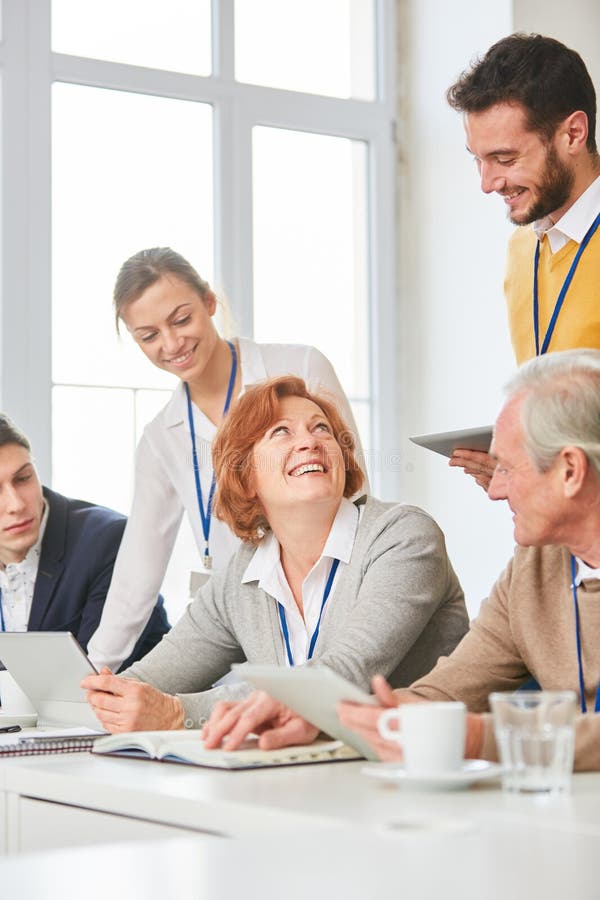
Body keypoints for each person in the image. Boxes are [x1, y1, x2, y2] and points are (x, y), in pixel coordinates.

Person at [81, 376, 468, 733]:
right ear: (246, 477)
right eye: (281, 431)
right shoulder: (245, 572)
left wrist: (178, 713)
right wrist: (110, 696)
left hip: (425, 774)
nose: (310, 442)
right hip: (314, 779)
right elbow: (156, 675)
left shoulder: (404, 536)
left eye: (322, 429)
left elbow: (345, 673)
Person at [86, 248, 366, 673]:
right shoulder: (162, 437)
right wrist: (94, 671)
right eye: (149, 336)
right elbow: (137, 569)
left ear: (210, 303)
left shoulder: (299, 366)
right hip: (246, 623)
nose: (172, 344)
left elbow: (354, 489)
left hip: (332, 599)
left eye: (182, 320)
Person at [336, 349, 600, 771]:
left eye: (508, 469)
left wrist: (481, 738)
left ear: (570, 470)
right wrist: (331, 721)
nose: (494, 491)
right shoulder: (532, 568)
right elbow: (443, 693)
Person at [445, 34, 600, 490]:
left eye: (505, 159)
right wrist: (522, 462)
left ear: (573, 133)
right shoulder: (522, 248)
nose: (488, 183)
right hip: (560, 536)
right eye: (478, 160)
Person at [0, 415, 169, 668]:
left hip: (124, 702)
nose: (16, 505)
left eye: (23, 478)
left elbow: (92, 678)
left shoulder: (109, 541)